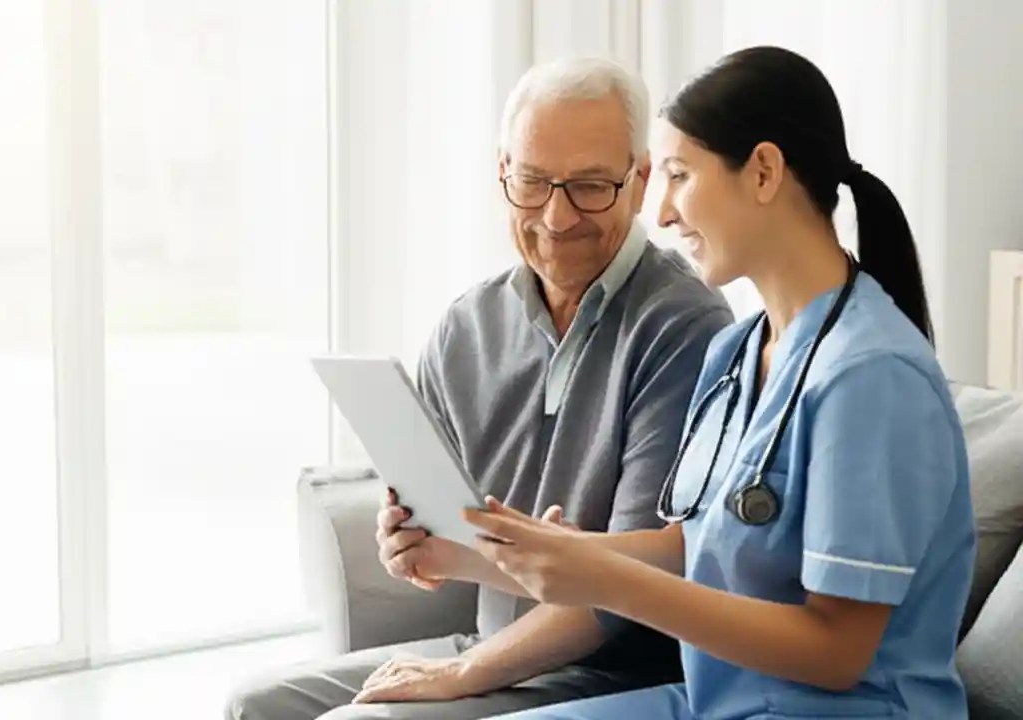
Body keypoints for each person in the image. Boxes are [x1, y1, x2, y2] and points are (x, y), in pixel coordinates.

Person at [468, 46, 976, 720]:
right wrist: (542, 549)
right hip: (718, 703)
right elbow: (697, 545)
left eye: (679, 176)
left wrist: (607, 580)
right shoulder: (736, 353)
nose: (663, 213)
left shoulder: (872, 376)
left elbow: (837, 652)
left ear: (763, 171)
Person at [226, 58, 732, 720]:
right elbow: (462, 539)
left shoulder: (685, 326)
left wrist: (463, 674)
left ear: (639, 181)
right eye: (532, 182)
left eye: (589, 187)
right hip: (492, 649)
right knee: (255, 706)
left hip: (614, 675)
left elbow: (629, 589)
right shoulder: (468, 327)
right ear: (503, 173)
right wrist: (416, 543)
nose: (557, 217)